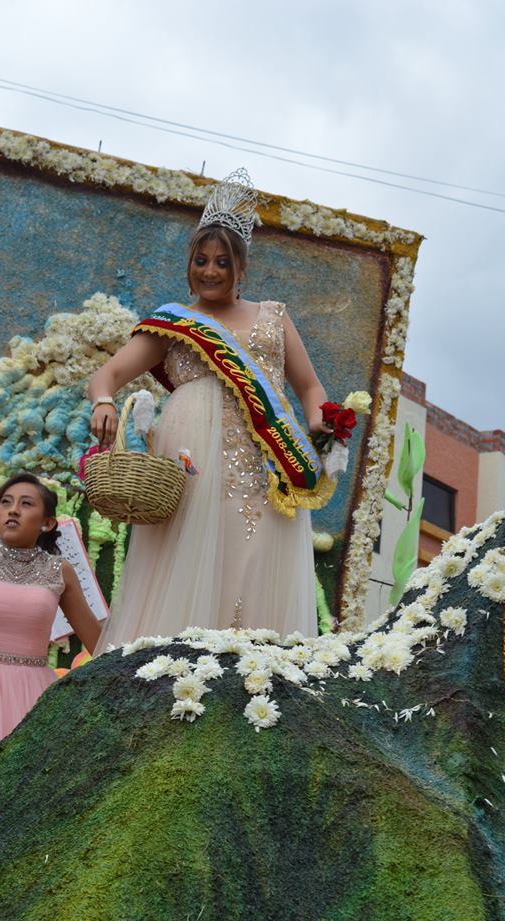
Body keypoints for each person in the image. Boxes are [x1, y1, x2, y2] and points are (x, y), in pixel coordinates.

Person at [89, 169, 335, 654]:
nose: (210, 271)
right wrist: (103, 402)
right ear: (190, 263)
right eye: (201, 260)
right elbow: (108, 376)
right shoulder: (174, 323)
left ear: (241, 267)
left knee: (258, 552)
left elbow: (309, 386)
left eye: (223, 261)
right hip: (193, 453)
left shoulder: (274, 316)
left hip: (265, 459)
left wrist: (321, 425)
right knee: (189, 555)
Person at [0, 472, 102, 805]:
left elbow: (99, 644)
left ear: (47, 522)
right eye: (5, 503)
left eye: (26, 504)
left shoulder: (59, 571)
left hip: (30, 698)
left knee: (15, 802)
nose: (12, 510)